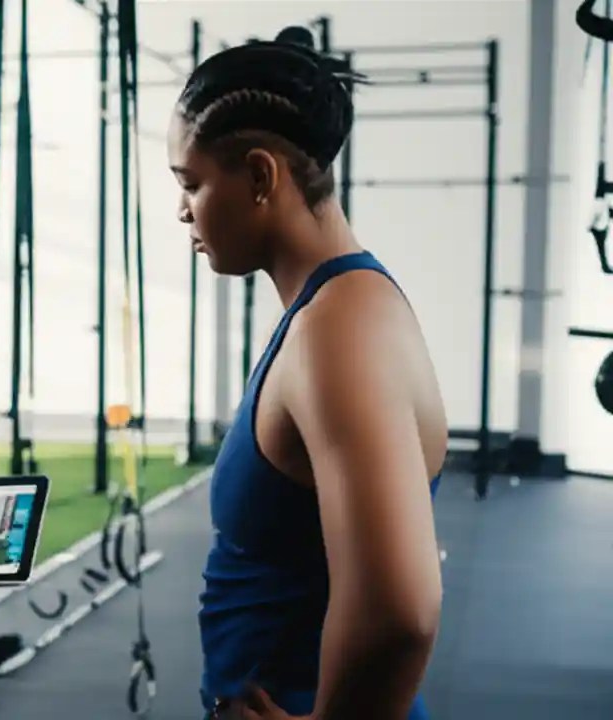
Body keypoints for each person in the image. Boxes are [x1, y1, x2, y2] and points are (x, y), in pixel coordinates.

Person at [166, 27, 447, 720]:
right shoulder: (331, 309)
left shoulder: (338, 329)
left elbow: (404, 610)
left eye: (192, 184)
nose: (183, 211)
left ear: (261, 177)